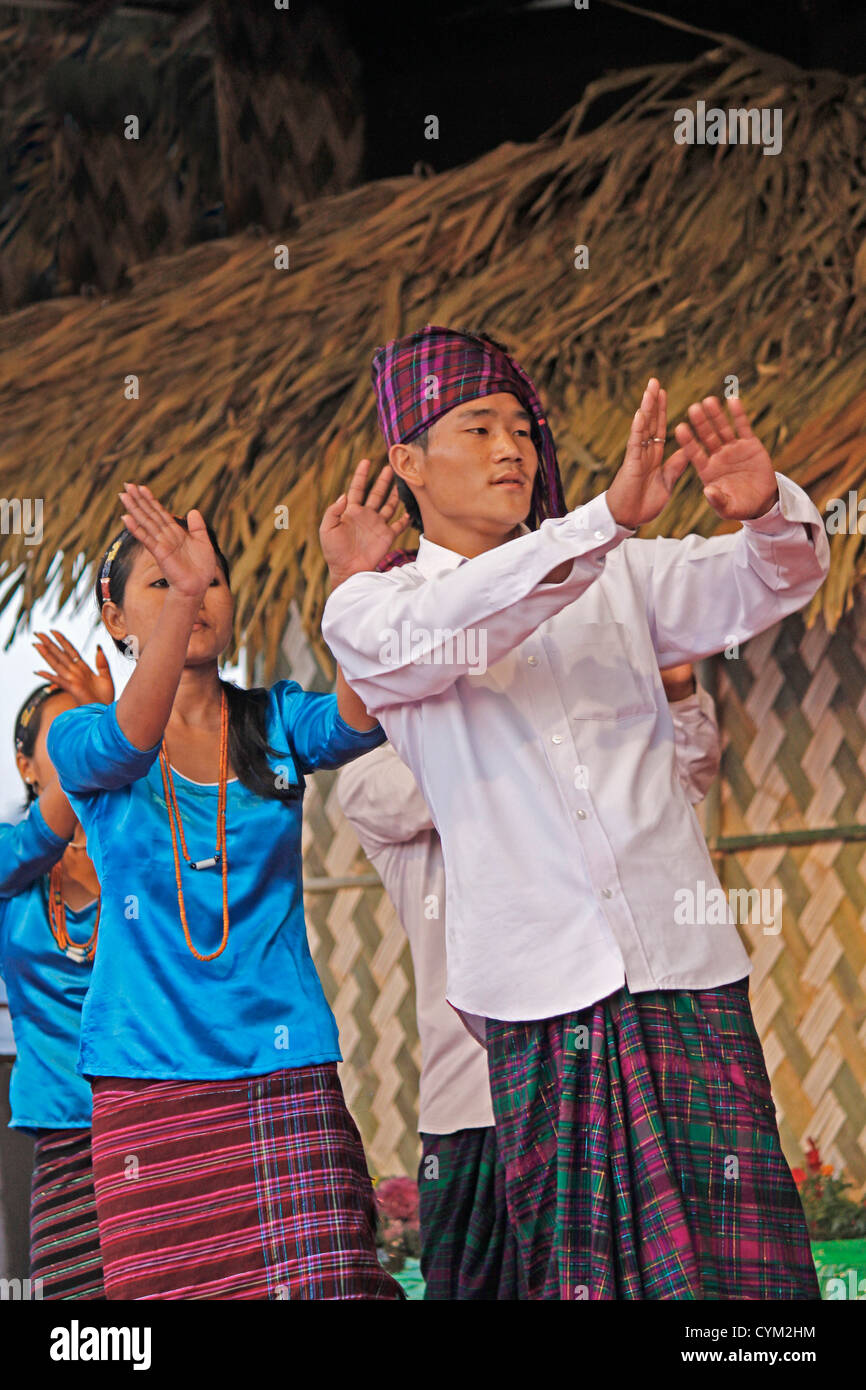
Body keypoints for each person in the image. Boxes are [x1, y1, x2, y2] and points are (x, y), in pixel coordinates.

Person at [319, 323, 830, 1300]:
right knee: (585, 1281)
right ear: (407, 462)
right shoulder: (372, 612)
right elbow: (461, 623)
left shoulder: (621, 574)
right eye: (477, 428)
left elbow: (769, 580)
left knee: (750, 1291)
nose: (510, 447)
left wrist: (767, 513)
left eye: (521, 428)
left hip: (685, 978)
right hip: (540, 1000)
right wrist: (603, 522)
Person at [47, 488, 405, 1300]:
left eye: (211, 582)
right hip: (150, 1077)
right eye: (166, 583)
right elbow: (130, 741)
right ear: (115, 617)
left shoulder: (274, 721)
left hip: (283, 1063)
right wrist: (181, 601)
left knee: (330, 1284)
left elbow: (359, 721)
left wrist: (354, 589)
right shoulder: (82, 736)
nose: (197, 595)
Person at [338, 608, 722, 1301]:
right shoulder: (374, 777)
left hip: (602, 1069)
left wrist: (675, 687)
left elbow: (684, 775)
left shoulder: (570, 744)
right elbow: (468, 770)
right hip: (473, 1104)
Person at [1, 662, 106, 1299]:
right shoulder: (9, 860)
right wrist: (104, 733)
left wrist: (122, 735)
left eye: (89, 729)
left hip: (153, 1113)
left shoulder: (141, 843)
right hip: (62, 1128)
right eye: (63, 735)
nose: (80, 744)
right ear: (26, 765)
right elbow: (39, 835)